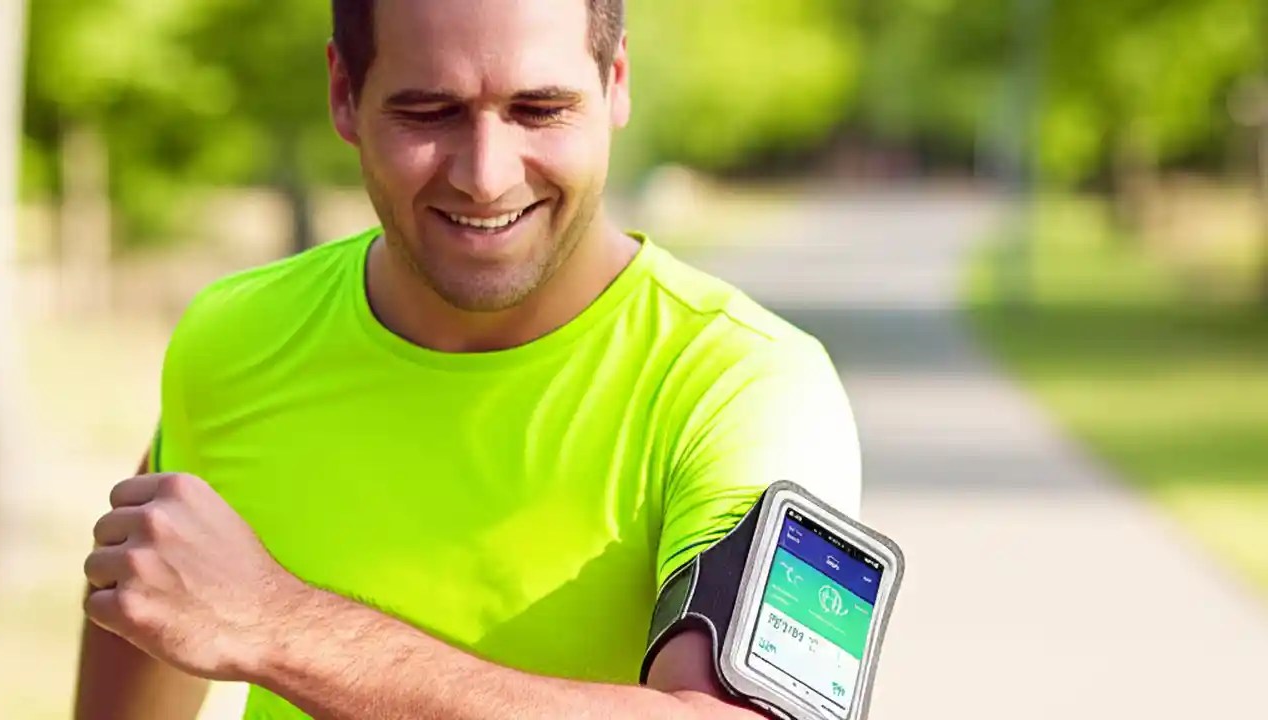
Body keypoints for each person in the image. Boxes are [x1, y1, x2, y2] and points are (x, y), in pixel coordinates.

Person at [72, 0, 861, 717]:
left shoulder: (753, 387)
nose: (485, 176)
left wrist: (280, 625)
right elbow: (153, 594)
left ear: (616, 82)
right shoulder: (231, 335)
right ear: (344, 94)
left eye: (540, 109)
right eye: (429, 112)